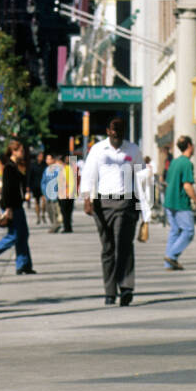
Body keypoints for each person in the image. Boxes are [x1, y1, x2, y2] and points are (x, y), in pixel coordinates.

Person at [80, 117, 143, 306]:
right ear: (108, 131)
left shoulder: (133, 150)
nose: (117, 135)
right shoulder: (98, 150)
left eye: (120, 132)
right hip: (101, 203)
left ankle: (126, 287)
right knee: (108, 248)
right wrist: (86, 199)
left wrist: (143, 207)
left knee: (123, 244)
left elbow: (141, 178)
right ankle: (109, 291)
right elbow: (89, 174)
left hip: (125, 202)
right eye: (114, 131)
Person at [0, 136, 35, 275]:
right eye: (20, 150)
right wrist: (8, 208)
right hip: (12, 206)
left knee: (23, 234)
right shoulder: (9, 168)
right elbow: (7, 190)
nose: (23, 153)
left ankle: (23, 264)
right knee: (14, 236)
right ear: (14, 152)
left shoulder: (16, 166)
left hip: (17, 205)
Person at [164, 136, 196, 270]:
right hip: (181, 203)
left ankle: (169, 263)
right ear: (189, 145)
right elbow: (187, 186)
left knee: (175, 231)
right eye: (193, 144)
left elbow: (168, 181)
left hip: (169, 201)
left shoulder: (174, 162)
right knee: (188, 231)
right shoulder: (187, 163)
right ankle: (171, 255)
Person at [28, 148, 45, 226]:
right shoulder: (33, 165)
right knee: (37, 202)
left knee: (44, 200)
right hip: (35, 186)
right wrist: (28, 186)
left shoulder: (44, 165)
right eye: (40, 156)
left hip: (43, 185)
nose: (41, 157)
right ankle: (38, 216)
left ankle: (43, 214)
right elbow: (30, 176)